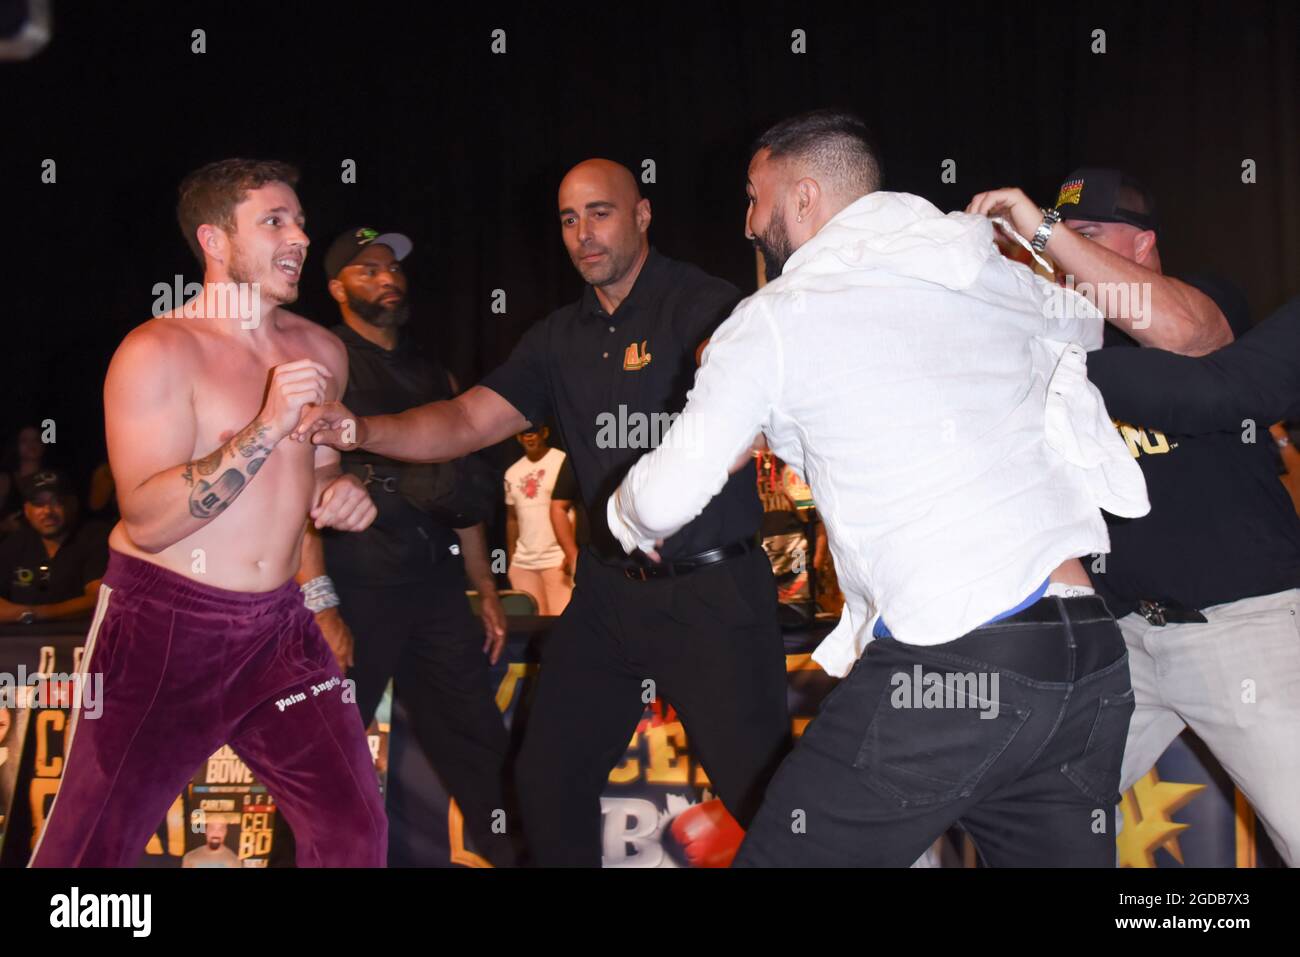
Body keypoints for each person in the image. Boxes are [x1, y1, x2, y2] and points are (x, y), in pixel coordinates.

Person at [607, 109, 1150, 867]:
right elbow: (1109, 319)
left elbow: (664, 498)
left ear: (802, 198)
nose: (747, 223)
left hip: (961, 662)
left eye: (754, 198)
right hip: (1086, 653)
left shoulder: (774, 319)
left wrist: (621, 514)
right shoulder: (987, 271)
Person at [297, 158, 792, 866]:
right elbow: (467, 419)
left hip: (712, 596)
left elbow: (758, 387)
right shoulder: (557, 337)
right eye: (568, 218)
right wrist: (360, 431)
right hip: (608, 598)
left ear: (642, 214)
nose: (583, 234)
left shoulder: (701, 303)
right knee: (545, 778)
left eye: (600, 212)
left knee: (766, 797)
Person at [29, 159, 385, 868]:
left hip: (280, 633)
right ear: (215, 242)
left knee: (353, 834)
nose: (302, 238)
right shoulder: (157, 351)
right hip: (163, 629)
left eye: (301, 220)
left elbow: (318, 469)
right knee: (89, 852)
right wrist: (264, 424)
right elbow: (151, 518)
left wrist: (340, 492)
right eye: (275, 221)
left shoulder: (321, 350)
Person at [970, 172, 1300, 865]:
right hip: (1122, 638)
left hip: (1243, 626)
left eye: (1084, 236)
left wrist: (1042, 232)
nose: (1059, 254)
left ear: (1143, 245)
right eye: (1057, 239)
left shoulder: (1202, 298)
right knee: (1025, 819)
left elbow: (1191, 338)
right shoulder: (1054, 342)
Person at [292, 225, 515, 866]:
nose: (386, 278)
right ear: (336, 287)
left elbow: (462, 486)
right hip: (356, 590)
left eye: (391, 268)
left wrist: (485, 587)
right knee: (326, 756)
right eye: (367, 270)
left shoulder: (431, 368)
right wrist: (320, 603)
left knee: (478, 746)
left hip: (437, 591)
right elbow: (303, 488)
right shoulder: (323, 362)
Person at [0, 469, 109, 623]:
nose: (48, 511)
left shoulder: (95, 537)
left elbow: (98, 599)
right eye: (38, 504)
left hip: (77, 639)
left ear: (73, 504)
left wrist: (33, 614)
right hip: (21, 641)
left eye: (56, 501)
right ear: (27, 510)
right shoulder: (16, 543)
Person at [505, 426, 572, 614]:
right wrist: (511, 559)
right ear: (518, 437)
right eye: (524, 434)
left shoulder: (561, 461)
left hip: (557, 560)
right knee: (531, 626)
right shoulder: (512, 472)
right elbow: (512, 519)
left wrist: (571, 552)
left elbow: (572, 509)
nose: (529, 437)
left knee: (562, 621)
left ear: (545, 432)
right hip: (524, 564)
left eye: (534, 432)